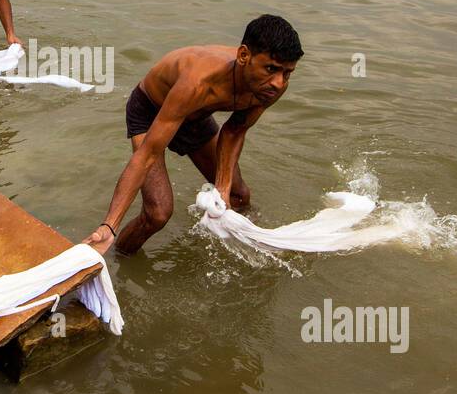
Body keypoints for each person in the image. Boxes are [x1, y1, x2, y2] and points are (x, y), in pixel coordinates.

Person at [83, 15, 303, 255]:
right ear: (243, 56)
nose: (279, 83)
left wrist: (223, 190)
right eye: (271, 69)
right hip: (151, 111)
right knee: (158, 214)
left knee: (239, 198)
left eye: (287, 73)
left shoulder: (268, 87)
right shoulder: (199, 83)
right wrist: (110, 224)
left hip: (195, 117)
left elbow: (234, 130)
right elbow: (147, 155)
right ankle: (119, 254)